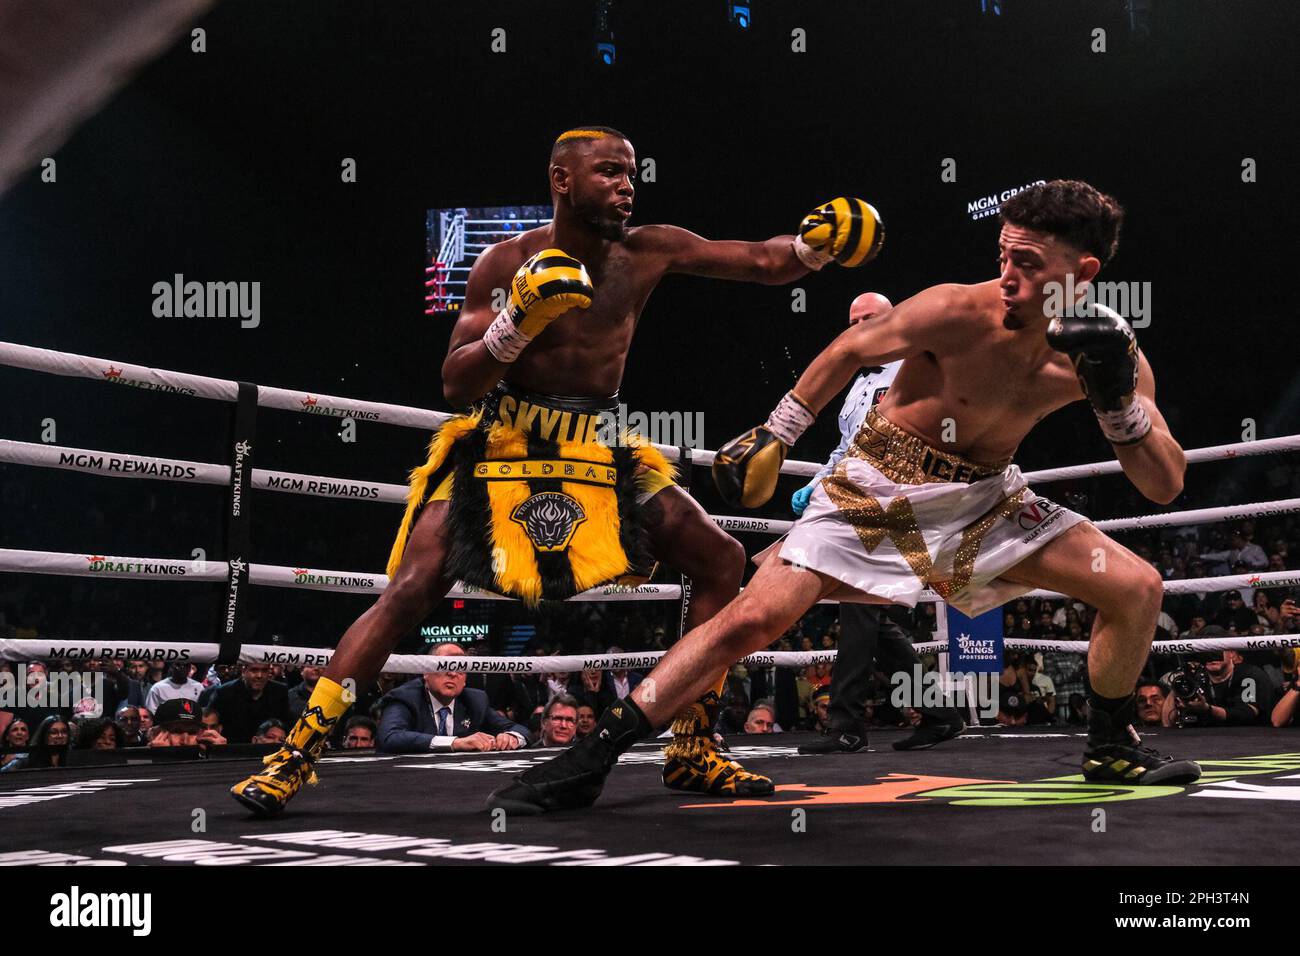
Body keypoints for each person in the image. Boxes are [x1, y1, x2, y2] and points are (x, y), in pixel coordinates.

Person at [491, 179, 1202, 813]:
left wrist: (1120, 411)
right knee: (754, 619)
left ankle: (1112, 746)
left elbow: (1164, 484)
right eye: (1003, 256)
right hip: (878, 484)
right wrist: (779, 429)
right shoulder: (956, 308)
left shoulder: (1107, 351)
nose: (1007, 276)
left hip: (985, 499)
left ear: (1083, 273)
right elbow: (851, 349)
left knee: (1136, 586)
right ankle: (591, 758)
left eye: (1028, 264)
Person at [232, 124, 883, 815]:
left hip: (598, 445)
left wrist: (813, 249)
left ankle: (693, 746)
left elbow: (759, 260)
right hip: (507, 439)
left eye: (630, 173)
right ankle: (296, 755)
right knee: (414, 585)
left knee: (720, 558)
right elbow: (456, 384)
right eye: (608, 172)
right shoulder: (504, 262)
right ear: (562, 180)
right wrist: (515, 323)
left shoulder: (648, 249)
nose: (626, 186)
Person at [795, 291, 965, 754]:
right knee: (870, 615)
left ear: (895, 320)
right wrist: (817, 481)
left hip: (900, 501)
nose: (861, 327)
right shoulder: (855, 385)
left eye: (870, 318)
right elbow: (846, 447)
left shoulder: (917, 368)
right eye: (853, 321)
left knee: (858, 608)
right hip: (859, 497)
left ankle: (847, 726)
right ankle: (940, 712)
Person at [376, 643, 529, 754]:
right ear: (426, 672)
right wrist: (455, 743)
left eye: (460, 667)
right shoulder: (406, 697)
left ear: (465, 678)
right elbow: (390, 737)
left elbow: (520, 730)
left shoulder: (475, 700)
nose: (453, 673)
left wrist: (511, 737)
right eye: (445, 665)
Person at [208, 662, 290, 744]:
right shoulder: (224, 693)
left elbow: (286, 723)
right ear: (243, 671)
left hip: (269, 750)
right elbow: (211, 722)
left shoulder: (279, 691)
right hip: (232, 749)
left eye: (264, 670)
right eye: (254, 670)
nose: (259, 675)